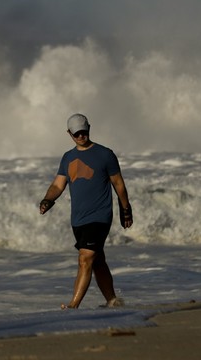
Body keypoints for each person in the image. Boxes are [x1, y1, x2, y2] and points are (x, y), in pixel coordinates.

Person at [39, 113, 133, 309]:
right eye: (76, 134)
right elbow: (58, 185)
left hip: (100, 216)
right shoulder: (68, 157)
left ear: (89, 128)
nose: (81, 136)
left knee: (85, 258)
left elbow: (119, 184)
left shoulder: (105, 154)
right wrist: (48, 199)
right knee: (97, 261)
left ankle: (73, 305)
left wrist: (126, 210)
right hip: (78, 219)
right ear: (69, 134)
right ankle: (113, 301)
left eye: (84, 132)